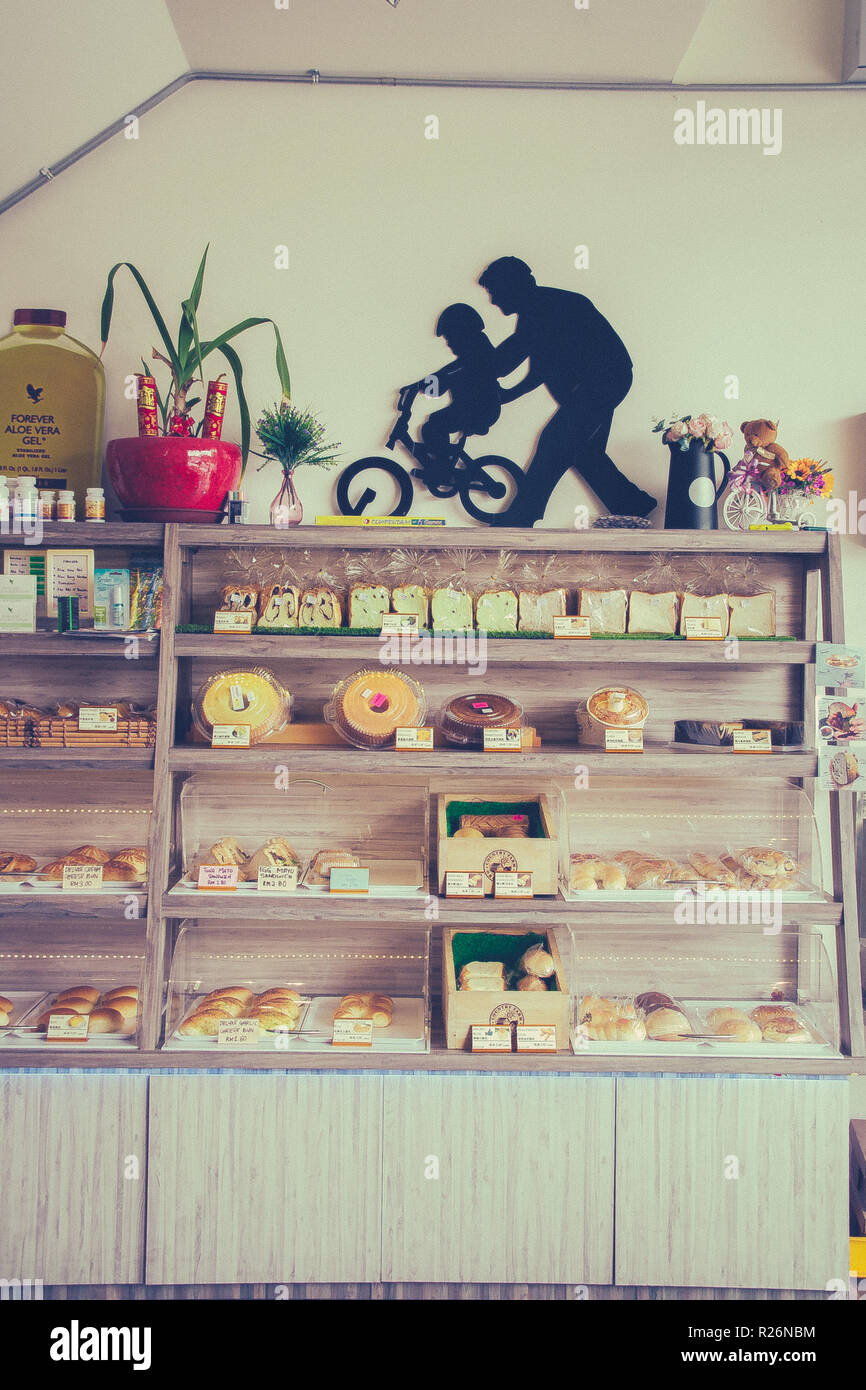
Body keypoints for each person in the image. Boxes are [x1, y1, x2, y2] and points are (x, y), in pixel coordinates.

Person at [478, 256, 657, 524]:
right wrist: (492, 382)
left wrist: (483, 373)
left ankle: (523, 515)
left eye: (494, 291)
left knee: (554, 441)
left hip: (604, 381)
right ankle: (633, 503)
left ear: (512, 286)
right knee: (584, 451)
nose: (492, 300)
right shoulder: (538, 309)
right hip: (598, 383)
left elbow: (522, 365)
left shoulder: (548, 309)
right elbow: (521, 363)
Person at [400, 303, 501, 471]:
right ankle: (443, 464)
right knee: (435, 423)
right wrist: (420, 385)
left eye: (450, 337)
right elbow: (447, 373)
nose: (448, 343)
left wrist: (425, 385)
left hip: (481, 408)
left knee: (433, 427)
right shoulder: (473, 354)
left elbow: (452, 373)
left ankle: (443, 468)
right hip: (472, 407)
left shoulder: (479, 355)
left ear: (464, 333)